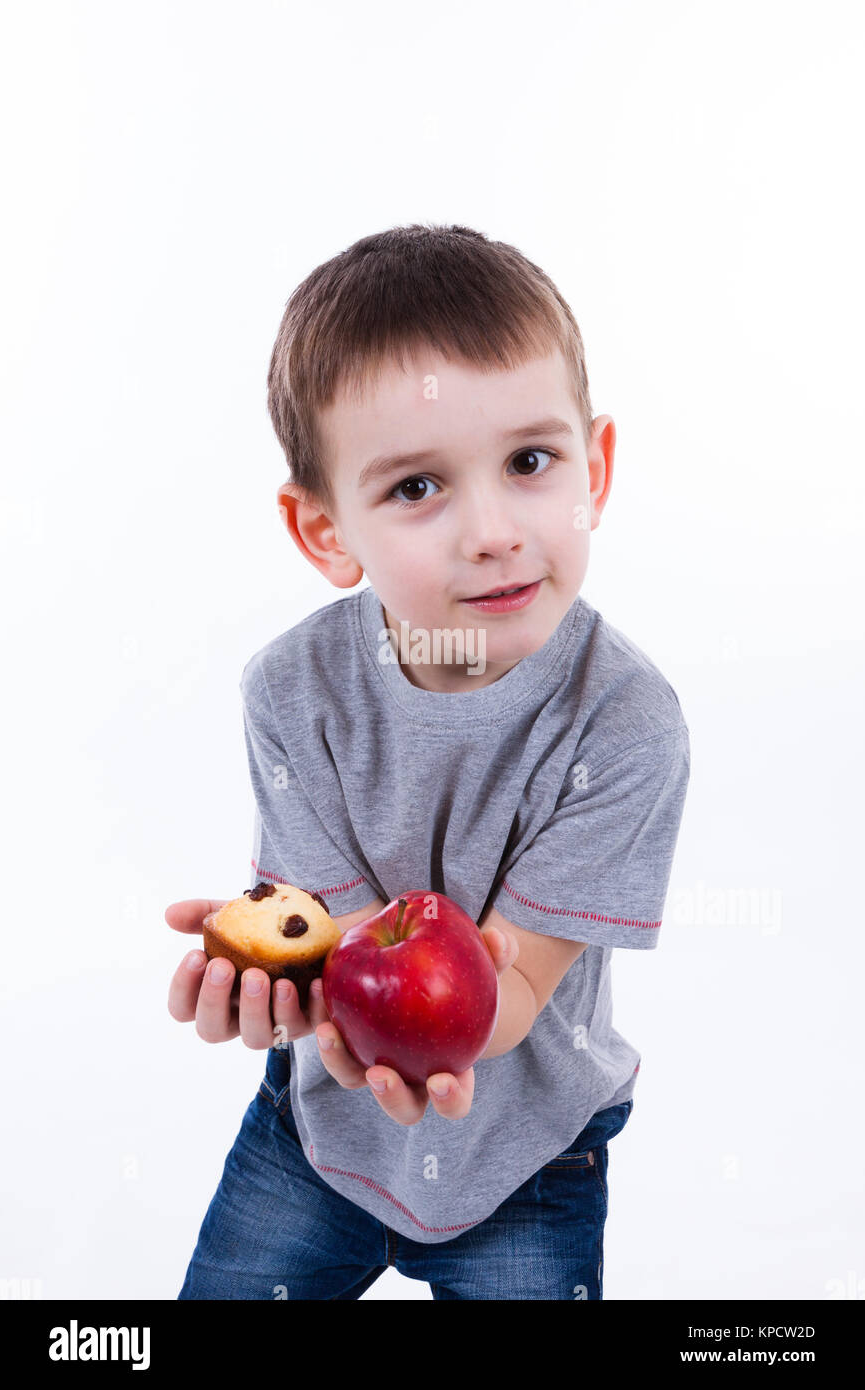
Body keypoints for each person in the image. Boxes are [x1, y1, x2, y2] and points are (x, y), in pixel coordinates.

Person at [166, 223, 691, 1300]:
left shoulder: (625, 723)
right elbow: (337, 933)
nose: (493, 530)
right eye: (416, 488)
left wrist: (375, 1002)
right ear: (324, 532)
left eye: (529, 462)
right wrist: (282, 981)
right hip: (313, 1133)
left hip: (531, 1155)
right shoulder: (292, 693)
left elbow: (502, 996)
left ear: (592, 468)